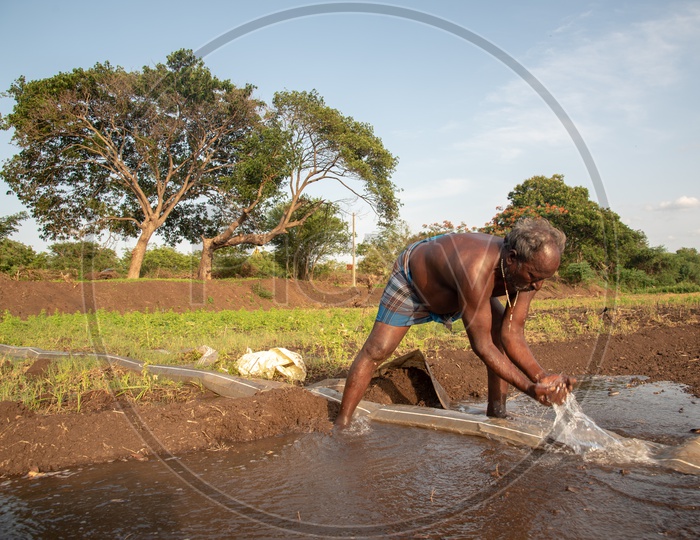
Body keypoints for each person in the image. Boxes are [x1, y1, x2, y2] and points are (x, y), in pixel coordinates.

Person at [335, 217, 575, 428]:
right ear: (512, 258)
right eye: (534, 277)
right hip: (414, 285)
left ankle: (498, 414)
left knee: (498, 330)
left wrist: (542, 377)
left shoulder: (529, 273)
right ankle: (342, 422)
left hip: (466, 296)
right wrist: (529, 389)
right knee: (377, 349)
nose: (538, 286)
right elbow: (482, 346)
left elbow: (511, 334)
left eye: (544, 279)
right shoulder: (477, 266)